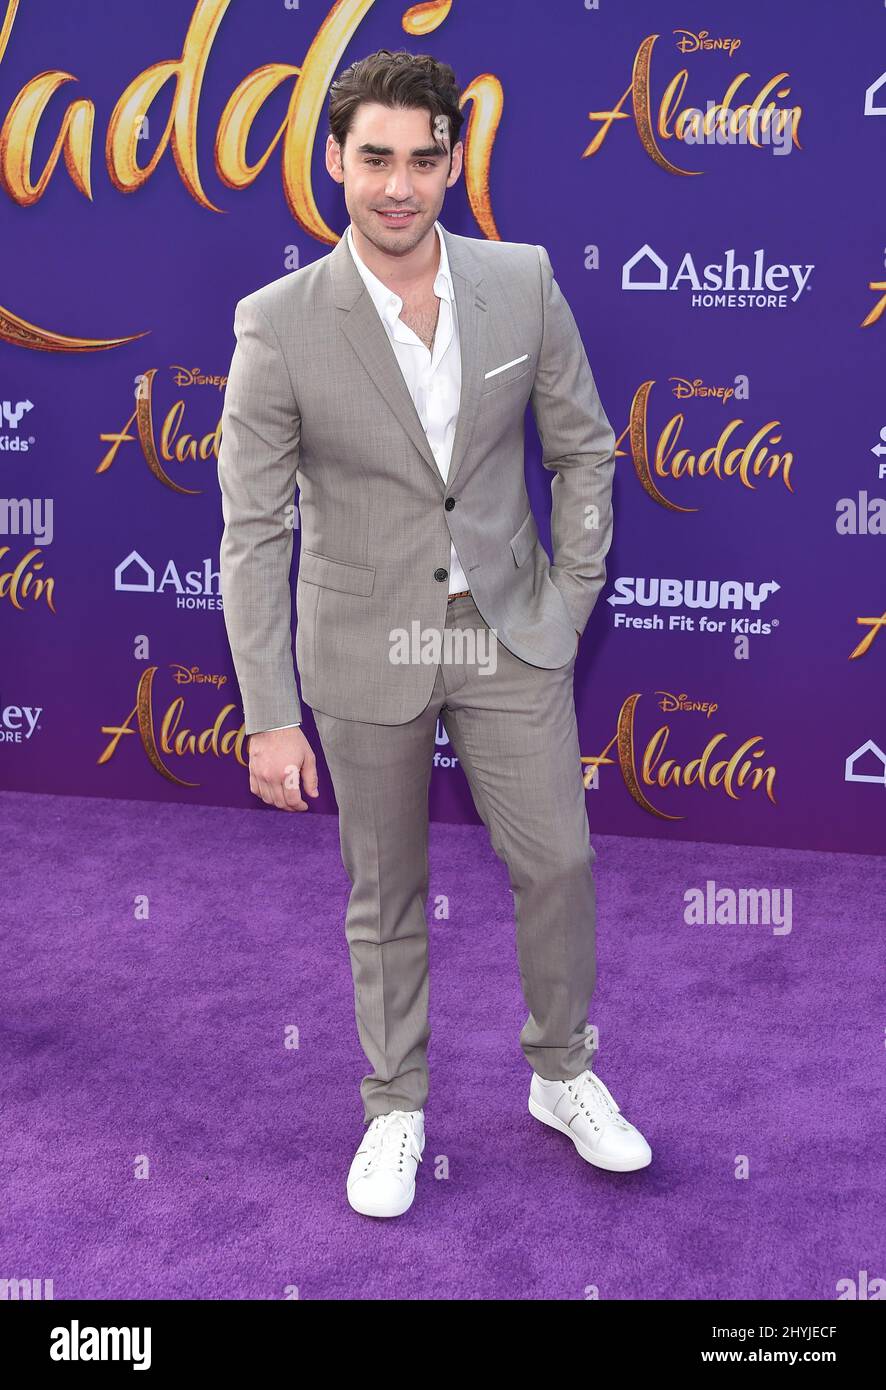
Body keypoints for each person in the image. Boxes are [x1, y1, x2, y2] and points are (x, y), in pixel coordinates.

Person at [217, 48, 651, 1220]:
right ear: (333, 163)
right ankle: (394, 1104)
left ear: (454, 162)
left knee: (556, 860)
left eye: (421, 158)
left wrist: (570, 594)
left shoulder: (521, 281)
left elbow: (584, 446)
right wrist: (266, 713)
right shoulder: (278, 322)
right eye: (374, 159)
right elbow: (252, 530)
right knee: (384, 886)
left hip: (506, 629)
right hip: (362, 641)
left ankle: (561, 1074)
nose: (397, 185)